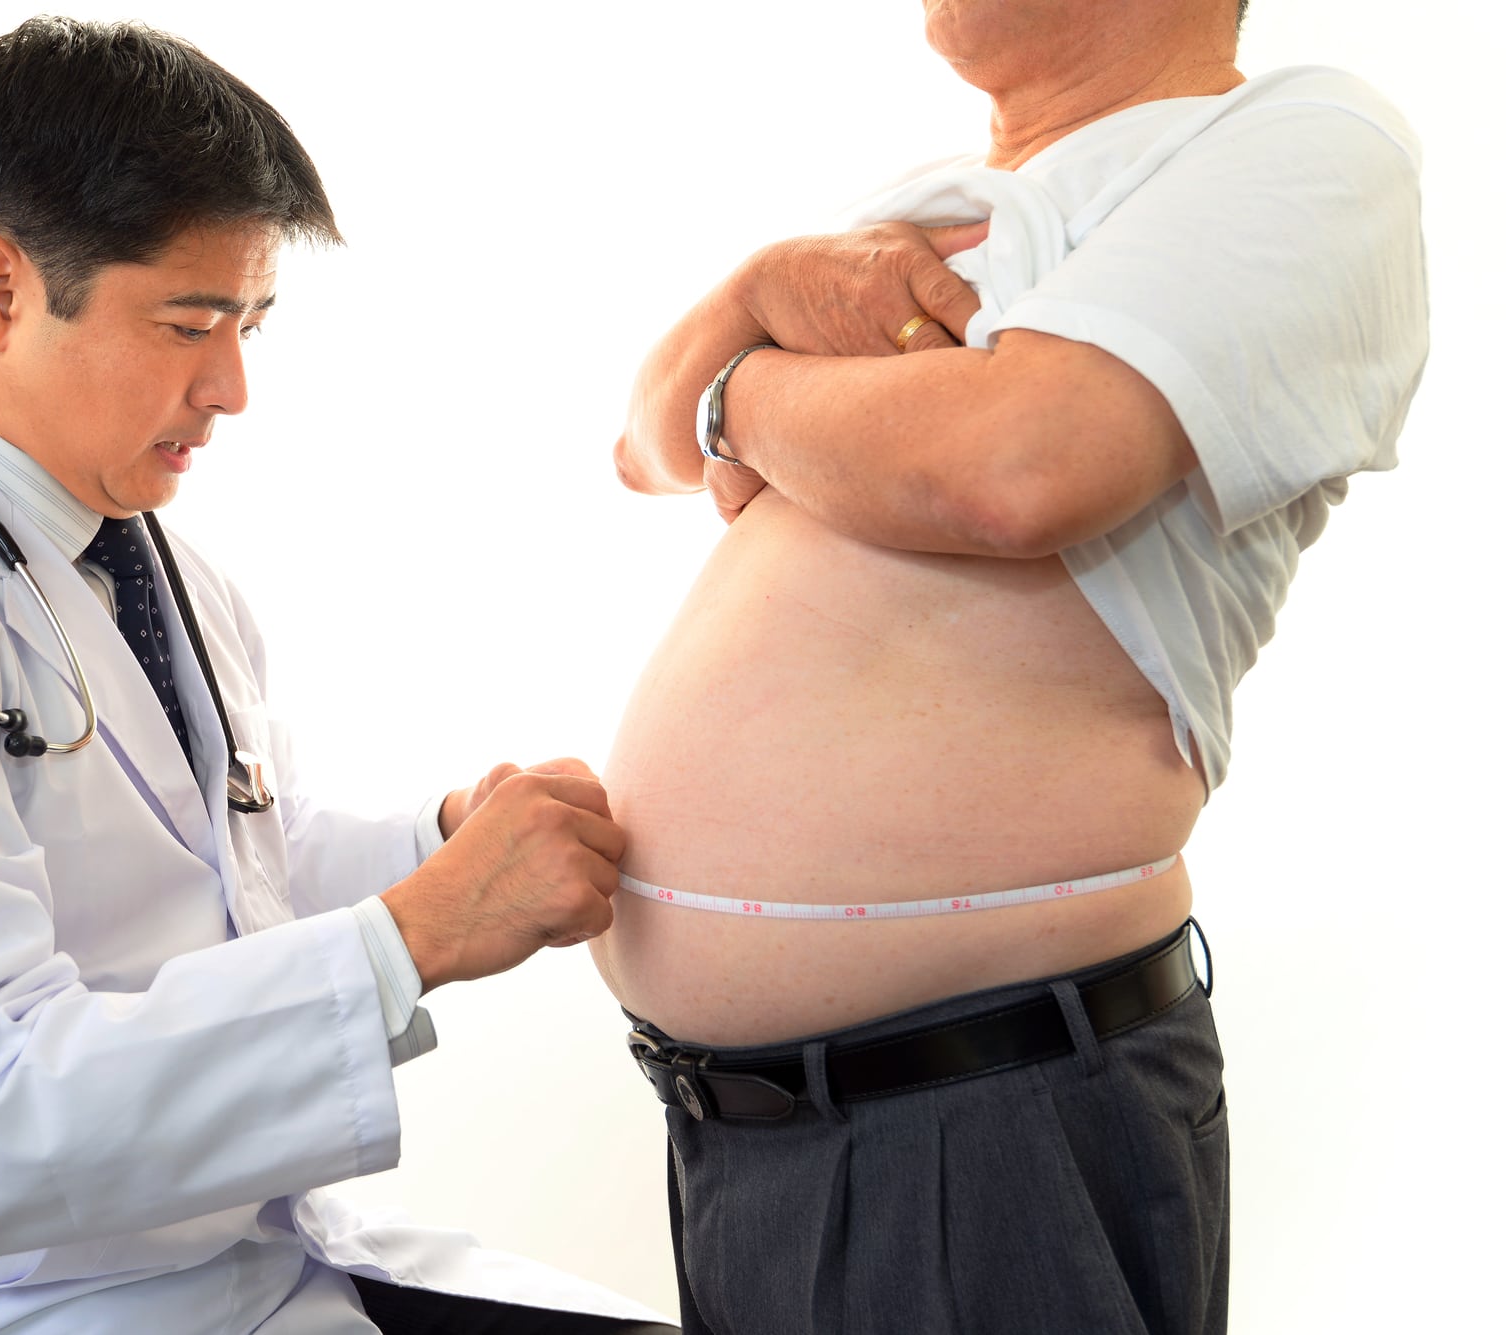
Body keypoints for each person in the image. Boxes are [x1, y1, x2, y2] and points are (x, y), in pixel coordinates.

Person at [0, 18, 676, 1335]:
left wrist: (438, 846)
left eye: (252, 324)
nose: (232, 387)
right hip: (17, 1312)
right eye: (189, 323)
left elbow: (223, 862)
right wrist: (413, 937)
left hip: (247, 1270)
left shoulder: (144, 558)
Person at [590, 1, 1428, 1332]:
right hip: (745, 1142)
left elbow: (1017, 466)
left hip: (983, 1122)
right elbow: (642, 449)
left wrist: (739, 389)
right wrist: (756, 297)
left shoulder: (1299, 139)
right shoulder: (927, 208)